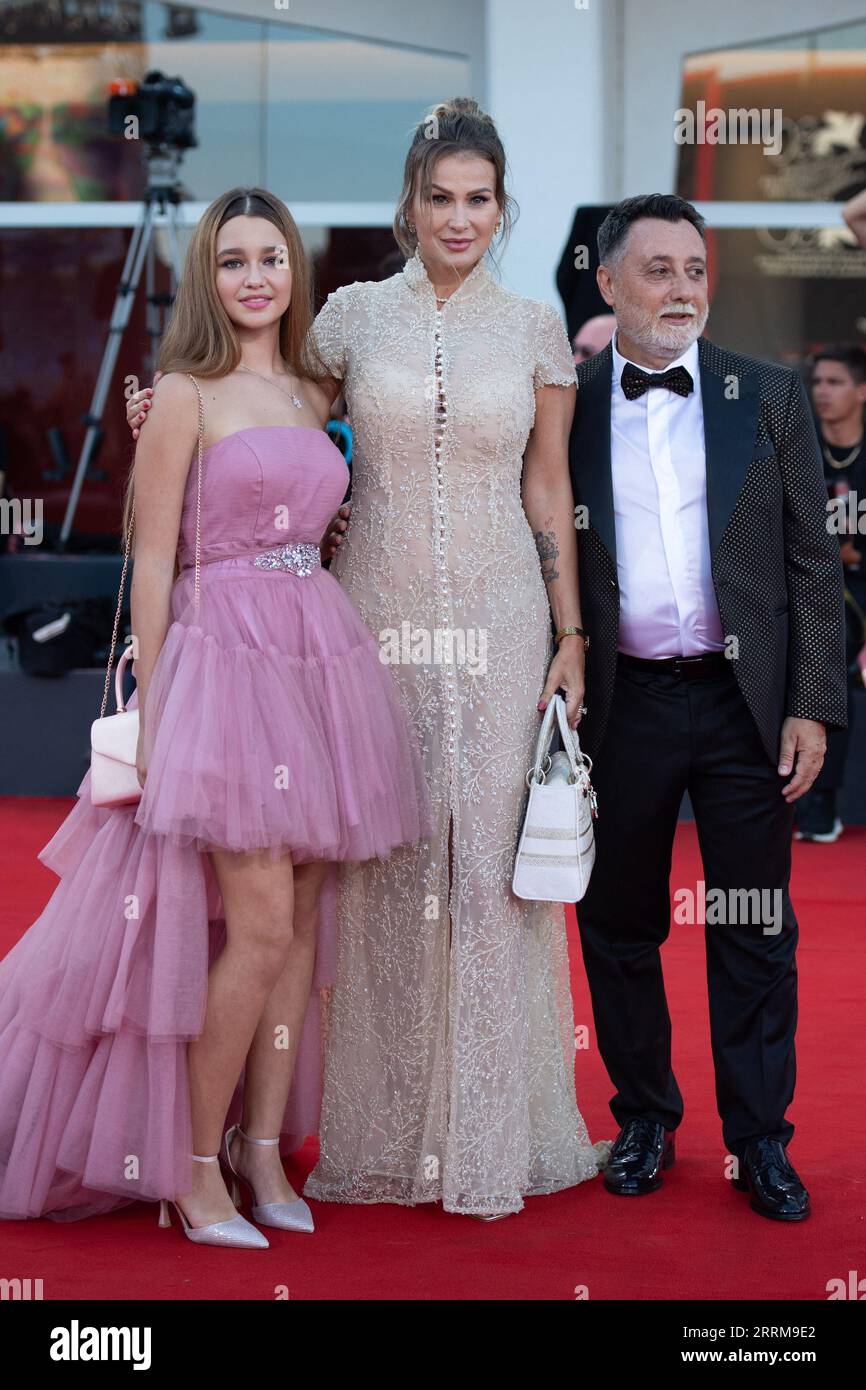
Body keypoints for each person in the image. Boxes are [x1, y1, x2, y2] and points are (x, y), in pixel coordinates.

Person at [129, 98, 610, 1219]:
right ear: (406, 205)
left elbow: (548, 487)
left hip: (499, 619)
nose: (456, 217)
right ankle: (371, 1133)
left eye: (476, 199)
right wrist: (174, 417)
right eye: (436, 198)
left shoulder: (535, 328)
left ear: (500, 208)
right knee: (372, 881)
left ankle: (492, 1136)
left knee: (493, 872)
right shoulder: (346, 320)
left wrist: (569, 630)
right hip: (357, 630)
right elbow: (278, 429)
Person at [0, 187, 430, 1246]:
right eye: (233, 260)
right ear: (209, 276)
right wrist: (154, 698)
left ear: (296, 274)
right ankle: (190, 1173)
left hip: (317, 658)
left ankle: (262, 1150)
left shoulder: (313, 387)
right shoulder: (183, 395)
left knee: (299, 926)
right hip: (221, 659)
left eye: (271, 259)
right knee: (261, 922)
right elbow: (149, 558)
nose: (253, 278)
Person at [569, 194, 846, 1221]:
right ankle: (642, 1115)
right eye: (656, 270)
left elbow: (813, 564)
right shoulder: (567, 402)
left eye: (692, 268)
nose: (680, 288)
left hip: (741, 710)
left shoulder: (768, 395)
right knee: (618, 924)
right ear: (606, 284)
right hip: (621, 707)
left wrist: (811, 703)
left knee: (749, 924)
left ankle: (758, 1140)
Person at [795, 345, 866, 842]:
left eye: (836, 382)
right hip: (811, 589)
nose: (822, 391)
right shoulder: (799, 445)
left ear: (862, 391)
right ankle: (814, 803)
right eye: (818, 381)